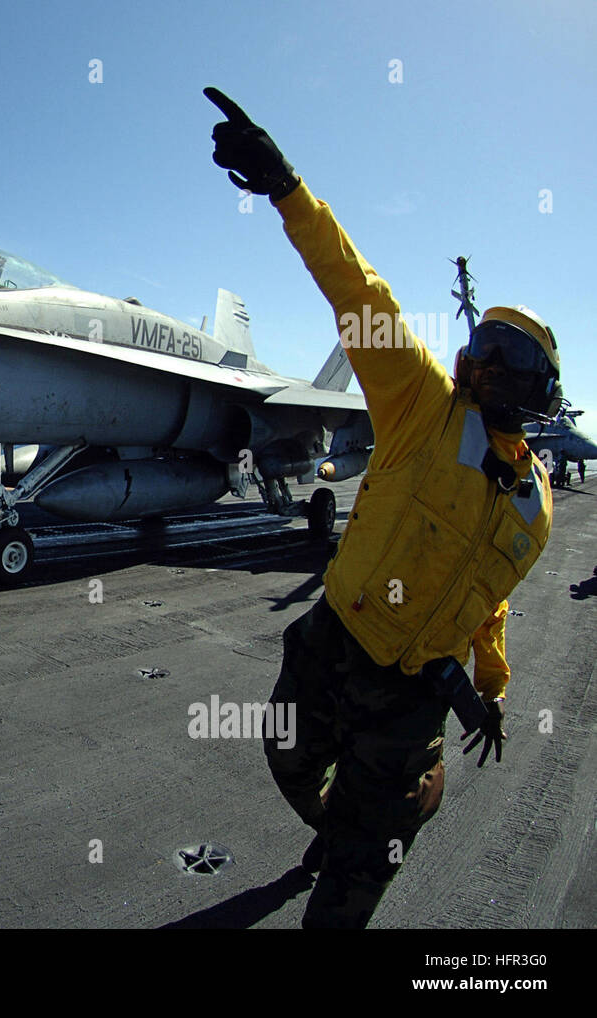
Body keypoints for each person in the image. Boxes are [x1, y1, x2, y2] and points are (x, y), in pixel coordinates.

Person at [205, 88, 560, 928]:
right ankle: (356, 817)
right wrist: (285, 187)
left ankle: (385, 816)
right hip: (333, 641)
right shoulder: (419, 404)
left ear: (535, 388)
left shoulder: (533, 509)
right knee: (289, 758)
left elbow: (487, 597)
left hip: (412, 698)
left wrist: (493, 685)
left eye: (501, 356)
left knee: (354, 883)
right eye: (479, 348)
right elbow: (354, 288)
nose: (478, 363)